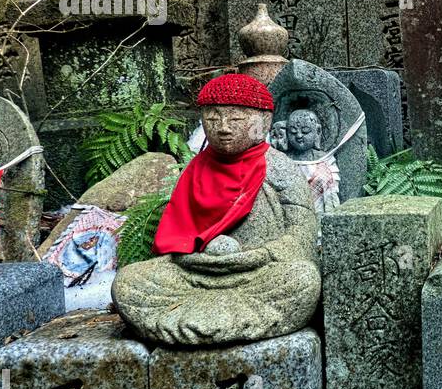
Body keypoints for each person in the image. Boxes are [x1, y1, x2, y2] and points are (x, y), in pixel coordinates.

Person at [112, 72, 320, 345]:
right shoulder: (195, 169)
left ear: (263, 122)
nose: (223, 127)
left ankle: (198, 323)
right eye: (213, 118)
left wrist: (258, 255)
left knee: (303, 280)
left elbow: (302, 234)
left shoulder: (280, 169)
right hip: (195, 273)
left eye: (235, 119)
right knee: (128, 283)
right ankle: (220, 321)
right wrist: (193, 258)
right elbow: (176, 236)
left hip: (257, 273)